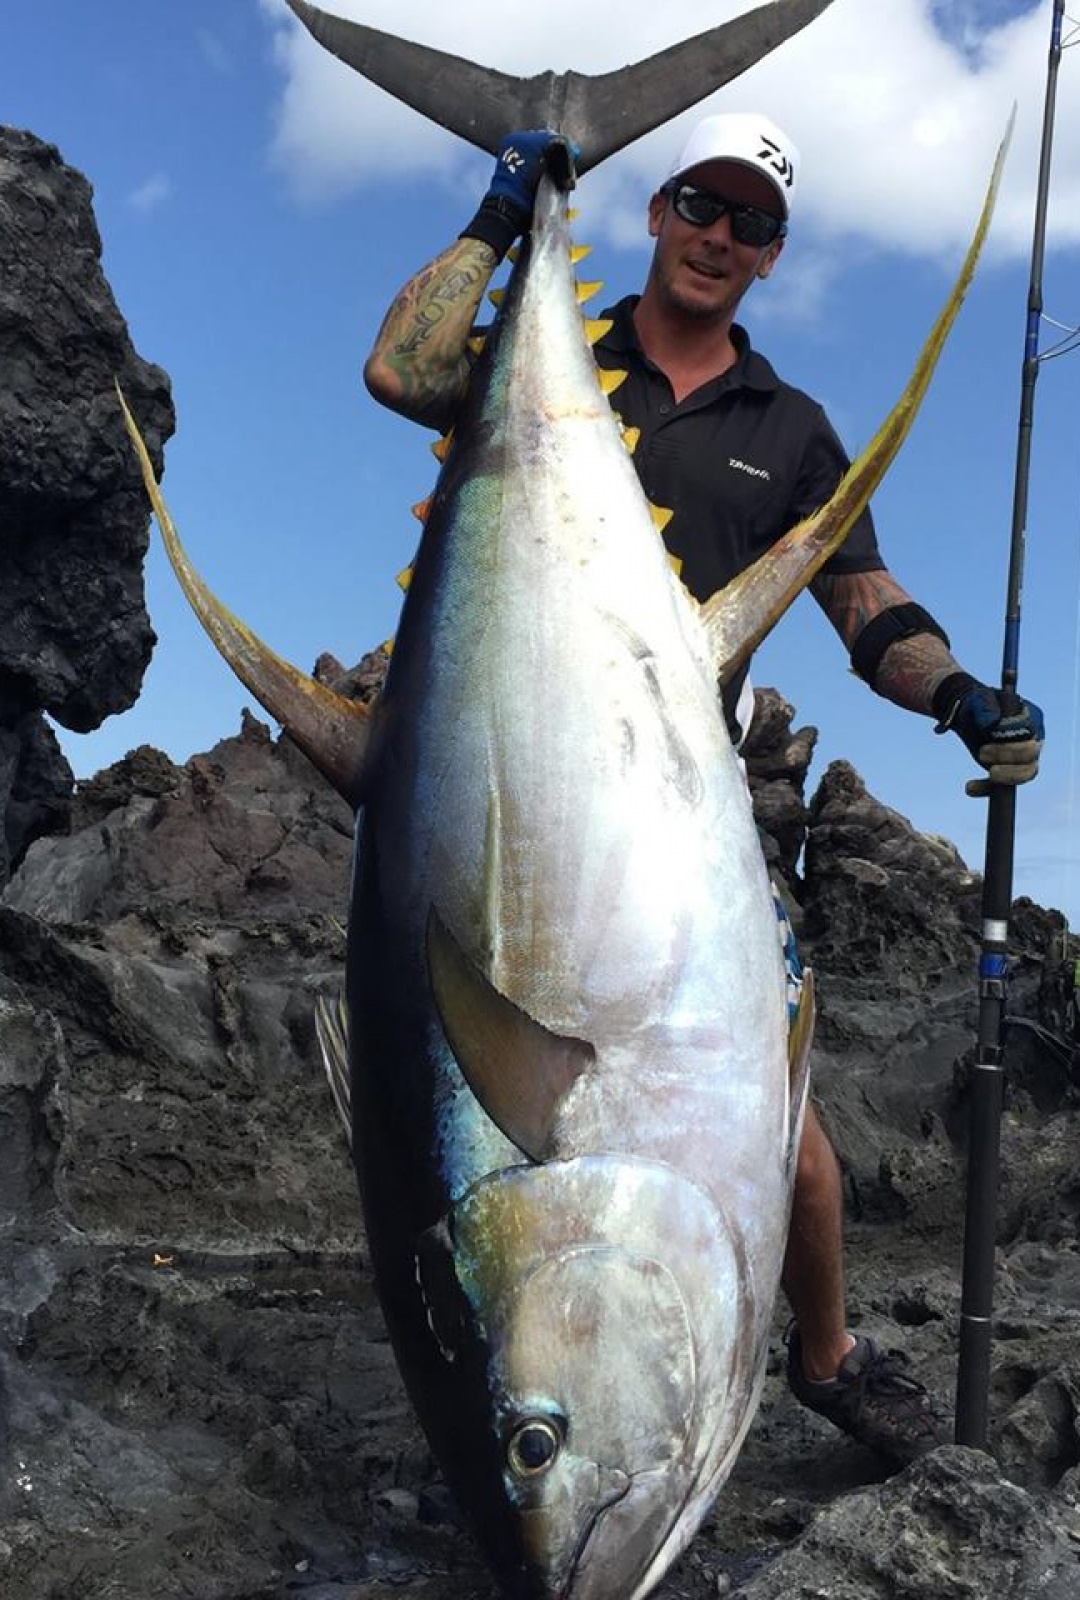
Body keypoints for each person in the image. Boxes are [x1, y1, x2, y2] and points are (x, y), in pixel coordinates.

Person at [362, 118, 1044, 1467]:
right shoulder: (556, 352)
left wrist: (955, 693)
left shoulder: (791, 427)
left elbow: (862, 599)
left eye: (751, 225)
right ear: (662, 211)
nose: (721, 239)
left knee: (784, 1140)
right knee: (421, 1073)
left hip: (696, 804)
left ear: (772, 256)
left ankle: (827, 1357)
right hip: (510, 786)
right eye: (700, 207)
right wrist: (508, 209)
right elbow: (402, 368)